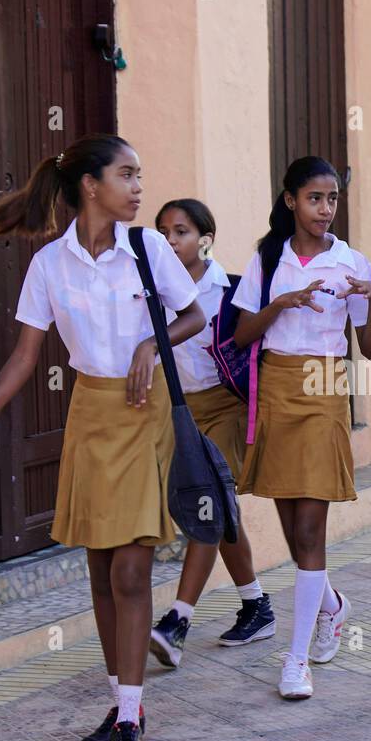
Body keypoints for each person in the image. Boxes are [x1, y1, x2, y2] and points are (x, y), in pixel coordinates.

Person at [0, 135, 204, 741]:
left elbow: (194, 317)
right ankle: (125, 701)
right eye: (127, 175)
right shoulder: (50, 265)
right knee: (100, 571)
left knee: (130, 568)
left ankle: (127, 720)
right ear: (91, 186)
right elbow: (23, 356)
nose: (139, 187)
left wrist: (152, 344)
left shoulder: (149, 248)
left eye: (140, 174)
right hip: (90, 414)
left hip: (144, 413)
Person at [231, 156, 371, 700]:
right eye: (315, 198)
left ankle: (295, 661)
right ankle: (333, 606)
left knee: (311, 529)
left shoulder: (351, 261)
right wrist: (283, 302)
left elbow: (369, 349)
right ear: (291, 200)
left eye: (333, 199)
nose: (325, 209)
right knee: (294, 531)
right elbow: (243, 332)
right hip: (275, 385)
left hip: (324, 384)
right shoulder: (268, 257)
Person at [148, 199, 276, 669]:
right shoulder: (154, 291)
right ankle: (256, 605)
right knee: (218, 509)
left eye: (180, 231)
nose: (169, 240)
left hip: (229, 409)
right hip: (180, 414)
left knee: (208, 503)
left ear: (205, 238)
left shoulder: (233, 291)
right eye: (162, 231)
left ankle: (178, 620)